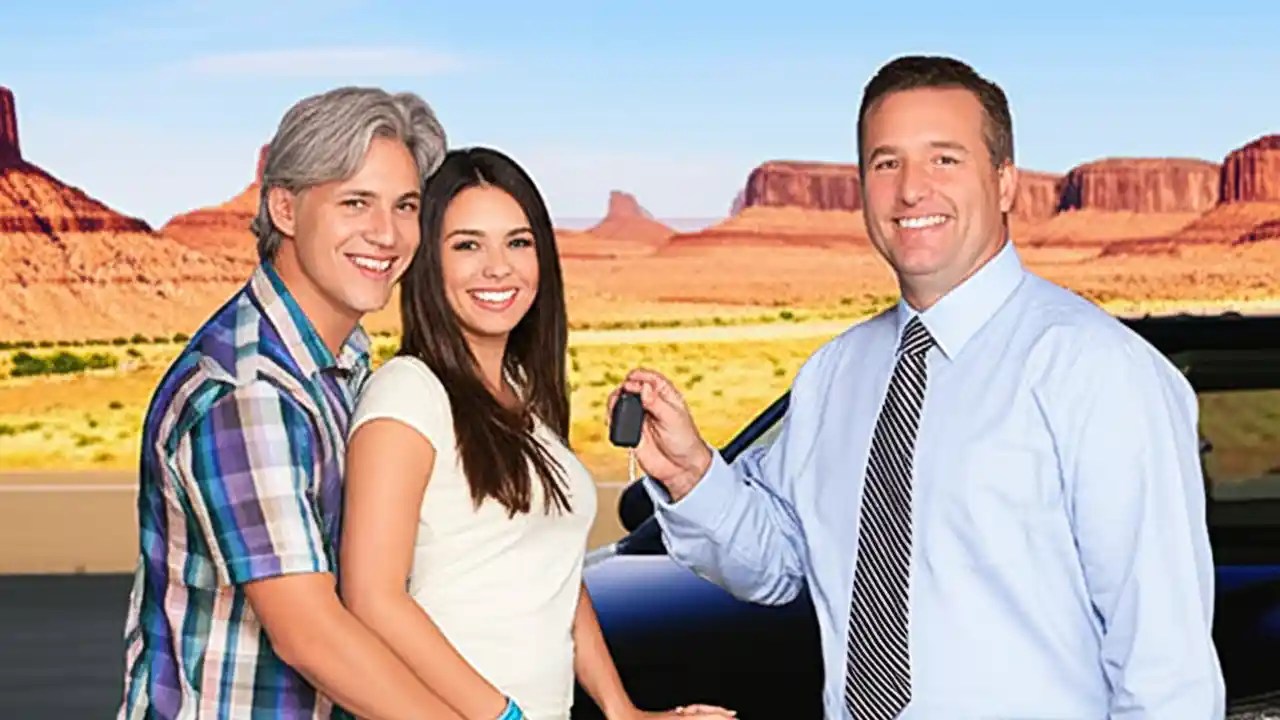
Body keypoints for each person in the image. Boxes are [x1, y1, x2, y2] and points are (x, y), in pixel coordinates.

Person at [609, 55, 1226, 719]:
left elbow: (1164, 668)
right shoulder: (835, 375)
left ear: (1006, 182)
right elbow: (779, 563)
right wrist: (692, 475)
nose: (911, 190)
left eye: (944, 160)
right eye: (886, 162)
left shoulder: (1097, 371)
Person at [339, 146, 735, 720]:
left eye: (518, 242)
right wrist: (501, 713)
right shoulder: (407, 391)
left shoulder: (524, 393)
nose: (498, 267)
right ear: (428, 263)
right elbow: (372, 597)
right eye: (467, 245)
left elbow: (555, 577)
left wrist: (622, 711)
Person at [118, 86, 464, 719]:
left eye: (405, 205)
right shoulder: (247, 388)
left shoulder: (343, 363)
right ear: (284, 207)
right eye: (355, 202)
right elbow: (310, 635)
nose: (386, 234)